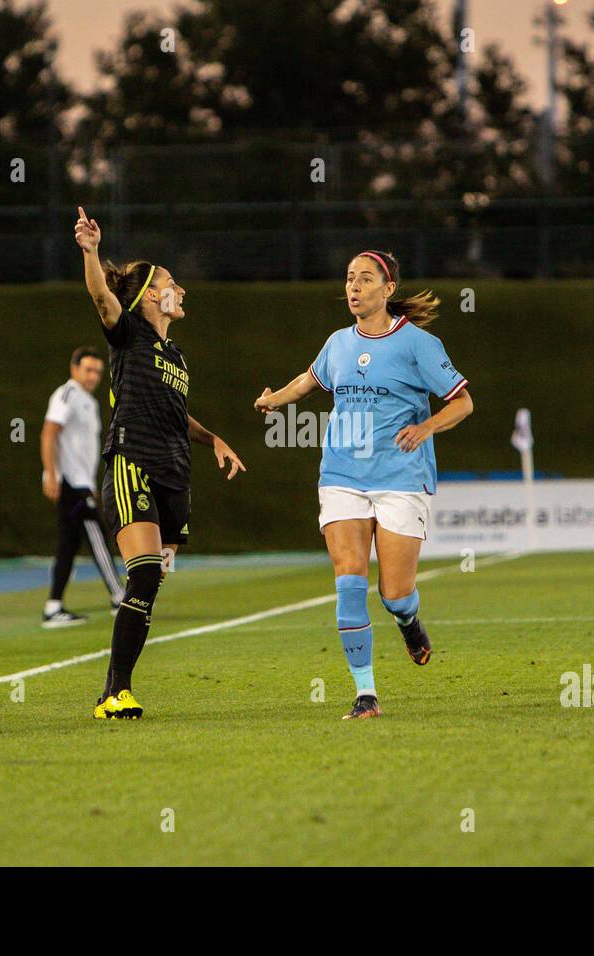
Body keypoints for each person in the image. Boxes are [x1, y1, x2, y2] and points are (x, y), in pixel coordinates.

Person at [253, 250, 473, 720]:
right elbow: (309, 380)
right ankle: (366, 694)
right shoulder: (337, 343)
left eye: (365, 279)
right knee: (349, 579)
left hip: (400, 478)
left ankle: (408, 621)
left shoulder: (418, 345)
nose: (354, 287)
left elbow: (463, 403)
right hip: (342, 475)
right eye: (349, 279)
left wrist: (427, 426)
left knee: (394, 593)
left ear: (388, 289)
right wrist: (275, 400)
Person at [74, 206, 246, 720]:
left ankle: (116, 689)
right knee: (144, 573)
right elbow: (101, 298)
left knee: (149, 584)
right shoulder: (130, 335)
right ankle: (113, 691)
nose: (182, 290)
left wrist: (213, 437)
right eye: (173, 283)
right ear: (151, 294)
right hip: (132, 464)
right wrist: (90, 252)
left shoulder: (177, 357)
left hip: (175, 476)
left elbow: (179, 417)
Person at [41, 348, 126, 626]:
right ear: (74, 368)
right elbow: (49, 433)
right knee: (97, 535)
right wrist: (51, 475)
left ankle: (53, 607)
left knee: (68, 545)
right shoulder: (67, 395)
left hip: (80, 483)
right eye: (88, 370)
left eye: (97, 372)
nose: (93, 376)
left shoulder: (86, 400)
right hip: (70, 484)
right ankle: (119, 596)